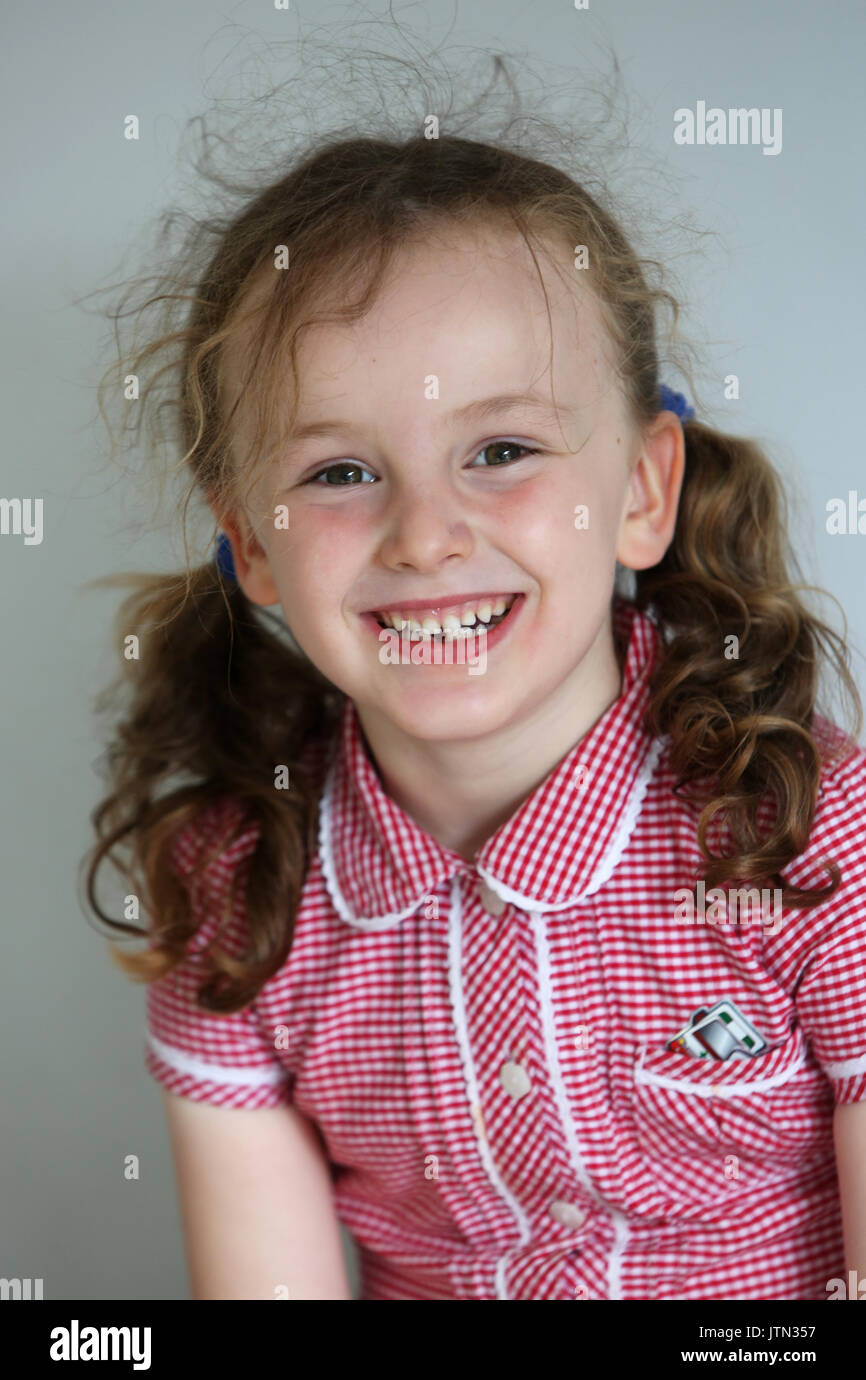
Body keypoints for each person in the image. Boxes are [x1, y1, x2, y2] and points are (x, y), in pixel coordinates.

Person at [84, 124, 866, 1301]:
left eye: (500, 449)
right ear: (251, 542)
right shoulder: (237, 899)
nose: (424, 534)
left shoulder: (811, 837)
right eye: (340, 472)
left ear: (641, 489)